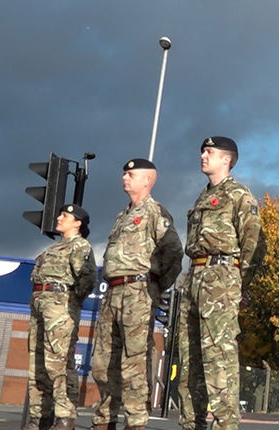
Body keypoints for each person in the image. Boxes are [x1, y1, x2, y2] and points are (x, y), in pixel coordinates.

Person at [177, 136, 266, 430]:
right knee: (190, 357)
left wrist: (238, 283)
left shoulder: (240, 195)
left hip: (221, 277)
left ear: (226, 159)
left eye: (210, 152)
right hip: (195, 278)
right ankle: (192, 422)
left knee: (218, 355)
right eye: (202, 150)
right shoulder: (202, 197)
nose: (203, 155)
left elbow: (253, 243)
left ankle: (225, 424)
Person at [90, 159, 182, 430]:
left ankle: (136, 422)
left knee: (135, 362)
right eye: (124, 174)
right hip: (113, 293)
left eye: (130, 174)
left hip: (138, 293)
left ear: (147, 180)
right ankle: (104, 420)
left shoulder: (155, 212)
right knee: (103, 361)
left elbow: (173, 253)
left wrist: (154, 287)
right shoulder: (122, 216)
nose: (124, 178)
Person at [23, 205, 98, 430]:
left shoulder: (80, 246)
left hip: (60, 305)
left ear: (78, 223)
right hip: (39, 303)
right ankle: (39, 416)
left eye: (65, 215)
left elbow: (87, 278)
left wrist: (71, 301)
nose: (59, 218)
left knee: (58, 362)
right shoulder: (53, 248)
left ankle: (65, 416)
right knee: (36, 362)